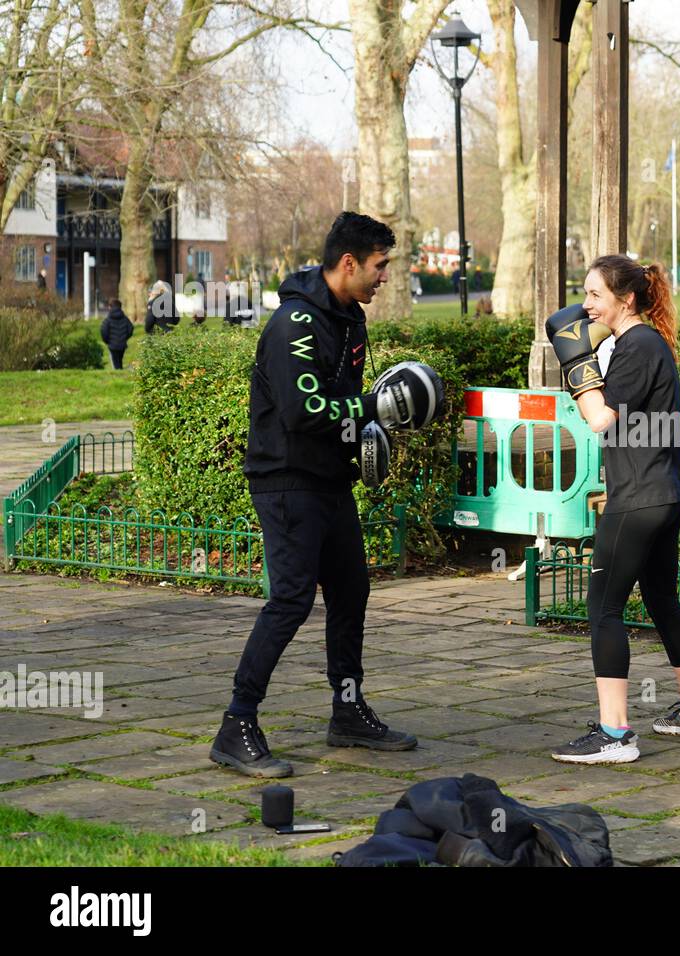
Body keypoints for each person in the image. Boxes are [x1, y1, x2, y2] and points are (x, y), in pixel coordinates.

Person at [211, 211, 441, 777]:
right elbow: (302, 411)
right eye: (380, 265)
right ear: (348, 263)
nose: (386, 276)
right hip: (287, 482)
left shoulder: (349, 321)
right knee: (290, 600)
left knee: (351, 591)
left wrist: (370, 437)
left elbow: (344, 406)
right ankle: (236, 724)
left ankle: (346, 710)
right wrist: (371, 409)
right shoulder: (294, 323)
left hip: (330, 482)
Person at [545, 254, 680, 765]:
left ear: (626, 299)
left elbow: (598, 417)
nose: (584, 304)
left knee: (603, 609)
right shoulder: (639, 344)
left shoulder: (637, 345)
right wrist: (586, 364)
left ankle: (615, 734)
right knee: (663, 599)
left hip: (638, 499)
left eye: (595, 294)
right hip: (663, 493)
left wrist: (574, 361)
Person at [99, 299, 133, 370]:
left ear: (110, 307)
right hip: (122, 345)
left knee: (115, 364)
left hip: (112, 345)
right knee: (119, 361)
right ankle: (120, 372)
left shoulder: (108, 319)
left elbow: (103, 330)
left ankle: (118, 375)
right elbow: (130, 328)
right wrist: (125, 338)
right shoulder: (125, 318)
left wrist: (107, 341)